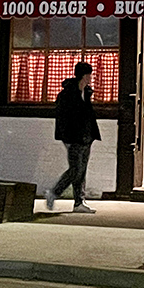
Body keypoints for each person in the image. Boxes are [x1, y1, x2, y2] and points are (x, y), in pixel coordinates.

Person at [45, 61, 101, 213]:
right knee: (76, 169)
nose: (90, 77)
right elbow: (62, 118)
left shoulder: (86, 93)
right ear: (84, 75)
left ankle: (79, 202)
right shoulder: (68, 94)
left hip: (86, 137)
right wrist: (66, 138)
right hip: (74, 137)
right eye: (89, 74)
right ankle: (55, 192)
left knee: (81, 170)